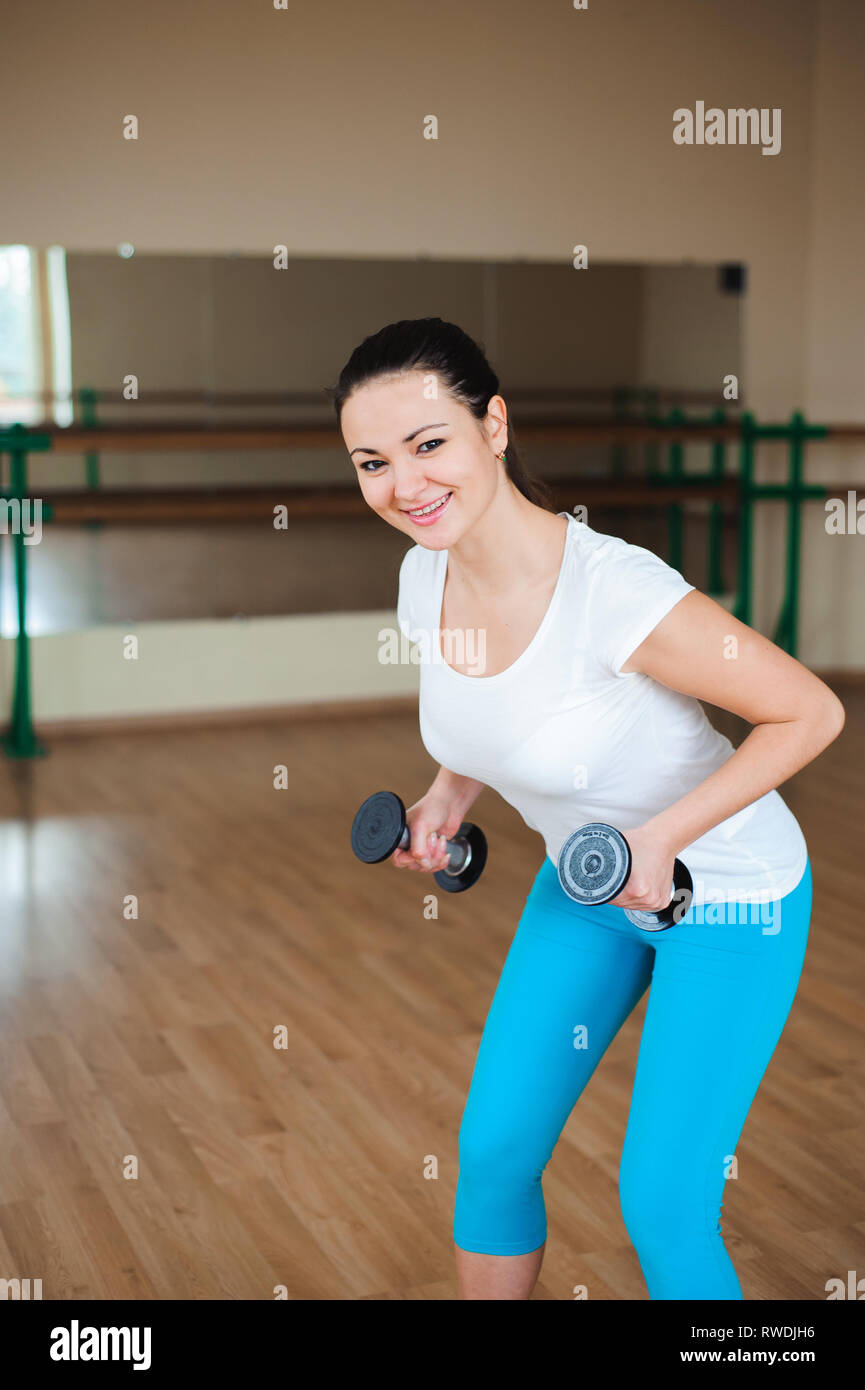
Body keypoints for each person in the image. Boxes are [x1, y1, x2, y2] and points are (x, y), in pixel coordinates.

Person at [329, 317, 845, 1300]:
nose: (404, 484)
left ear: (494, 426)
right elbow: (496, 721)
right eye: (372, 461)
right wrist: (447, 795)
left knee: (660, 1204)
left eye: (428, 442)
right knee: (491, 1155)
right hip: (586, 886)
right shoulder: (421, 574)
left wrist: (664, 834)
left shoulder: (615, 592)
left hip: (729, 896)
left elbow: (808, 711)